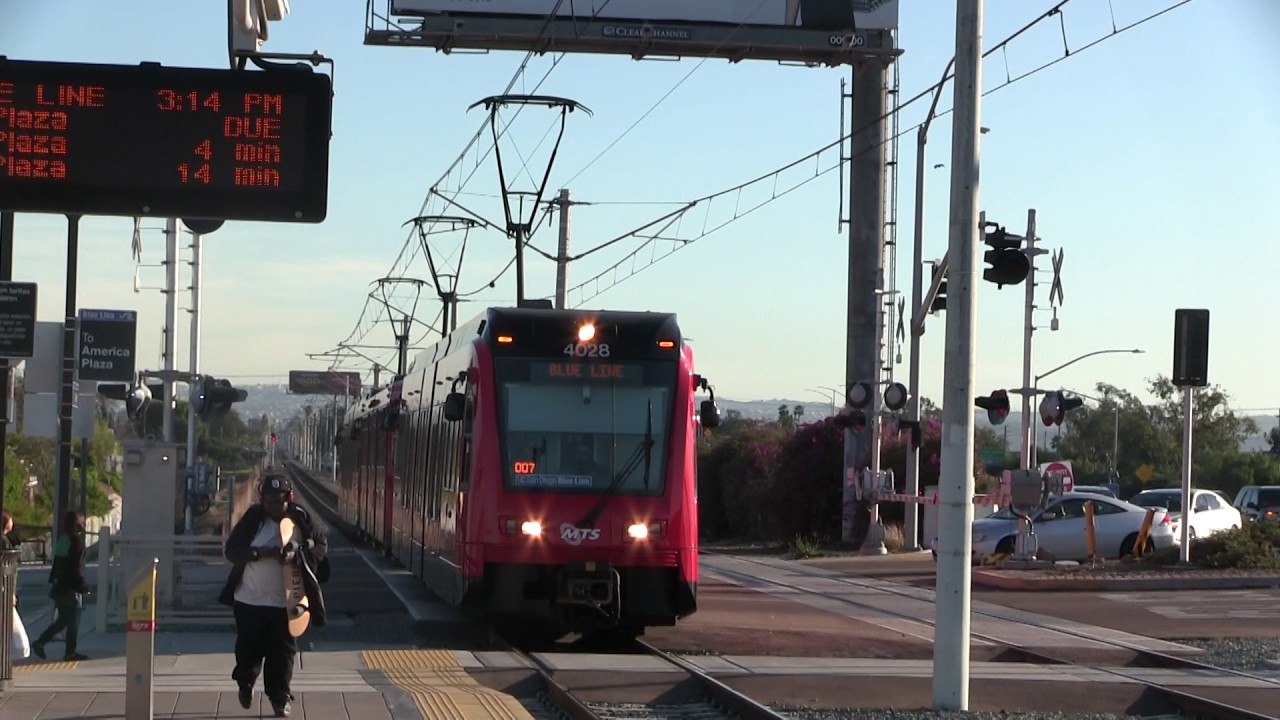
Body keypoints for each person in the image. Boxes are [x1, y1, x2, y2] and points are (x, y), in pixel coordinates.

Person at [219, 473, 327, 718]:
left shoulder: (301, 518)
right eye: (268, 501)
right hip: (249, 599)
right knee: (248, 650)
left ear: (288, 498)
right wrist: (258, 553)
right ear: (262, 499)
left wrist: (297, 552)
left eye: (278, 501)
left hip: (286, 601)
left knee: (283, 651)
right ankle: (245, 683)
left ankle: (280, 698)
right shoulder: (253, 518)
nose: (273, 507)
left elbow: (320, 546)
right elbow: (232, 551)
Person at [32, 511, 90, 661]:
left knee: (64, 619)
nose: (84, 524)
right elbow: (77, 566)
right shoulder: (77, 541)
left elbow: (58, 563)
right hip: (69, 587)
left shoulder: (63, 539)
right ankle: (69, 652)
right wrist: (81, 585)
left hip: (59, 586)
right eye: (83, 521)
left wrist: (56, 580)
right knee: (73, 620)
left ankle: (41, 642)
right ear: (77, 523)